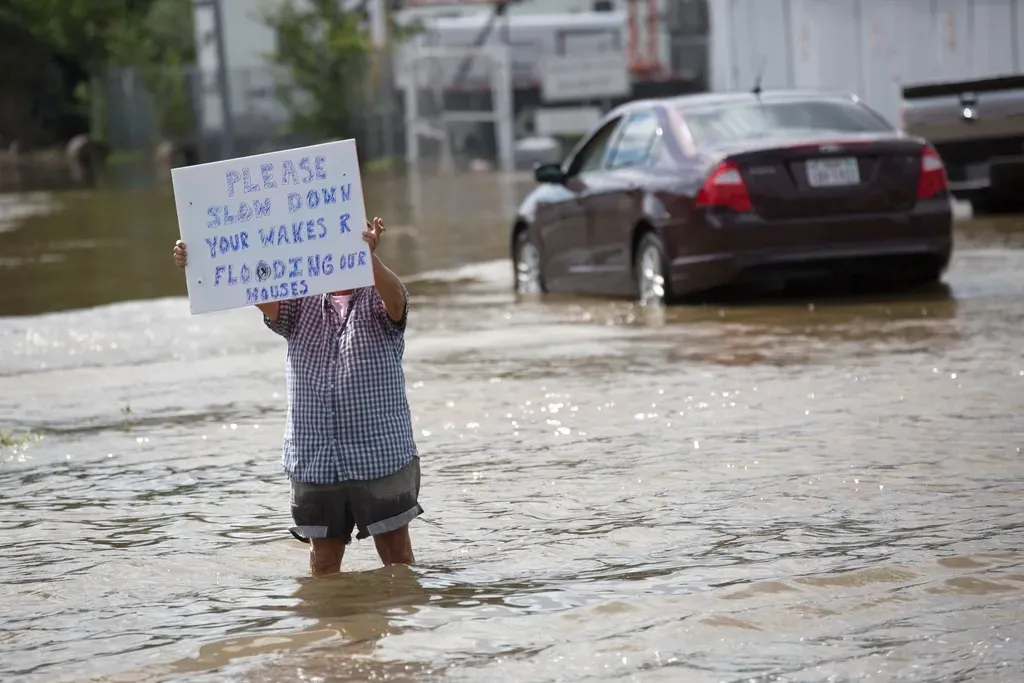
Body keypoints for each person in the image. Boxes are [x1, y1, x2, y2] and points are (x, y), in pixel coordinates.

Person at [172, 217, 421, 575]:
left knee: (398, 560)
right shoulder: (300, 302)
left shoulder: (380, 298)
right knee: (323, 563)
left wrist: (369, 260)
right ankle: (339, 631)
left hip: (379, 455)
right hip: (315, 458)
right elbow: (253, 288)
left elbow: (396, 299)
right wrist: (200, 257)